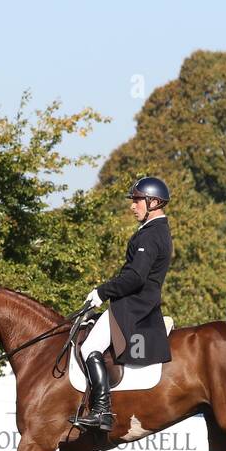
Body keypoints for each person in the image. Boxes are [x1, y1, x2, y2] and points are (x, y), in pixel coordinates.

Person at [74, 175, 174, 432]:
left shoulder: (151, 235)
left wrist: (101, 292)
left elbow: (135, 277)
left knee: (89, 348)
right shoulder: (155, 231)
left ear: (153, 202)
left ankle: (102, 411)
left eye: (137, 201)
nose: (133, 206)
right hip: (139, 301)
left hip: (134, 304)